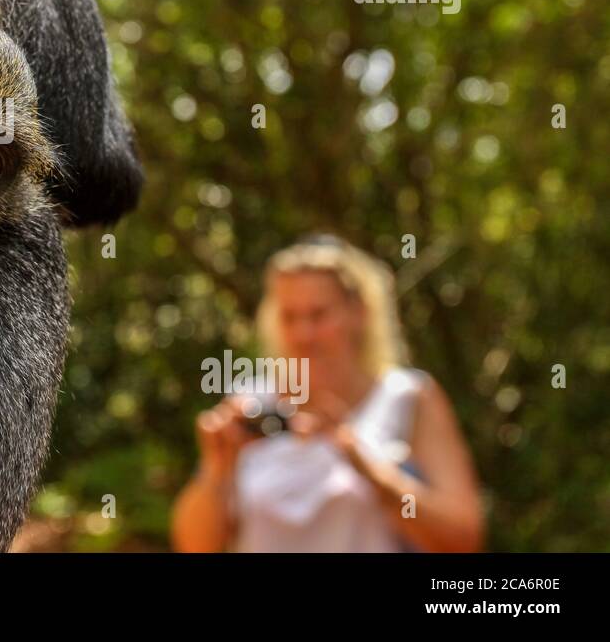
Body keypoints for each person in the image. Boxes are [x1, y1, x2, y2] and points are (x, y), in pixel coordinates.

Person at [171, 235, 483, 552]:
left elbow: (462, 539)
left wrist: (365, 467)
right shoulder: (250, 401)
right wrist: (217, 470)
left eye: (318, 315)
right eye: (289, 317)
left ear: (359, 313)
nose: (303, 334)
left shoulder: (407, 398)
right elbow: (195, 546)